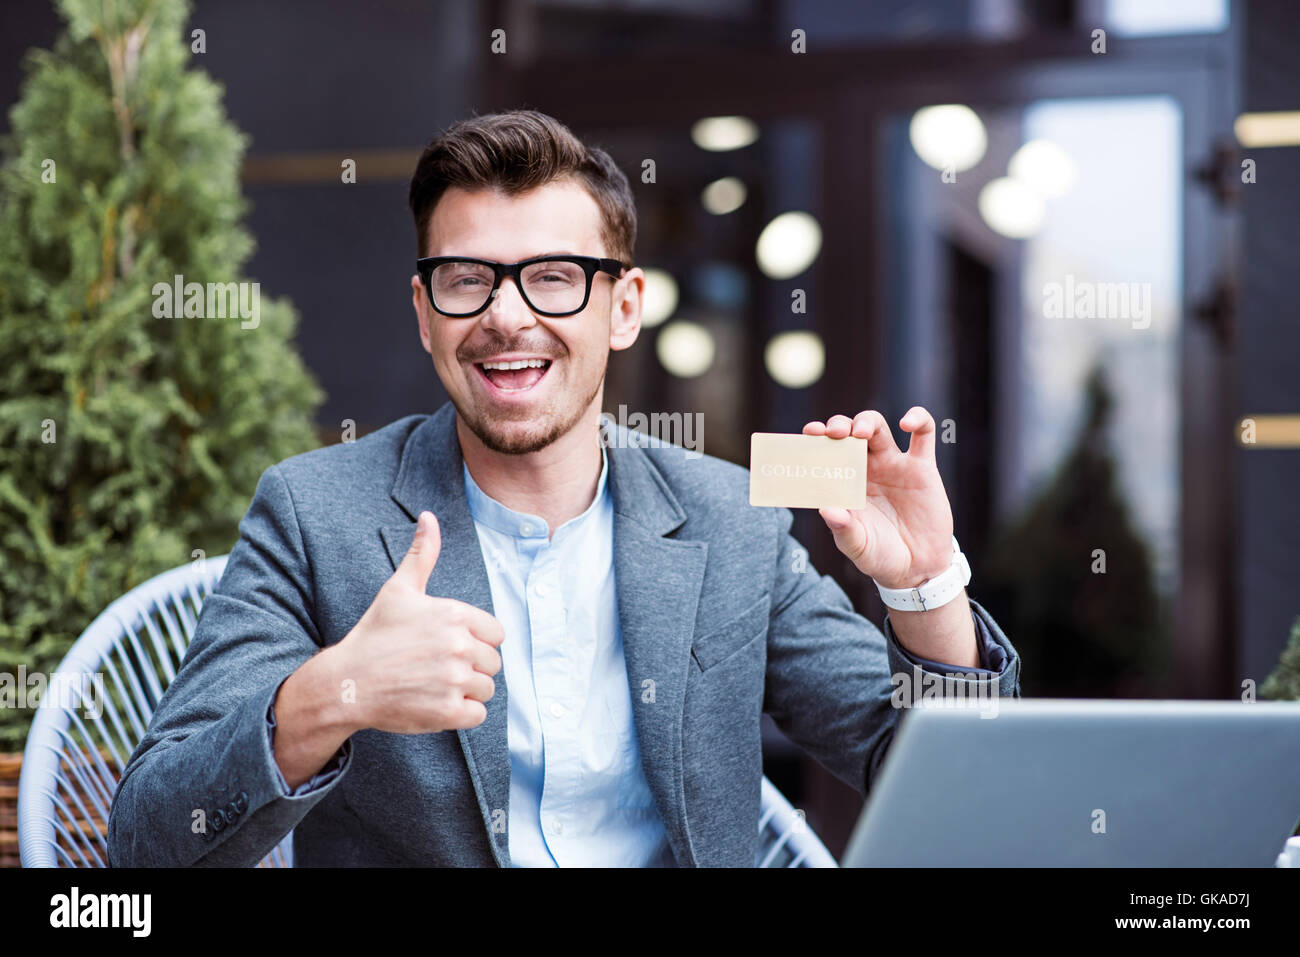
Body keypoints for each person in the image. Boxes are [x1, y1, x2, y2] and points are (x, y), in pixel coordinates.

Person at [107, 109, 1020, 868]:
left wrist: (927, 587)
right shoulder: (315, 512)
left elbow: (963, 791)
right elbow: (147, 843)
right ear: (425, 314)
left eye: (553, 277)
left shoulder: (727, 514)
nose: (508, 316)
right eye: (467, 280)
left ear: (623, 308)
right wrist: (332, 693)